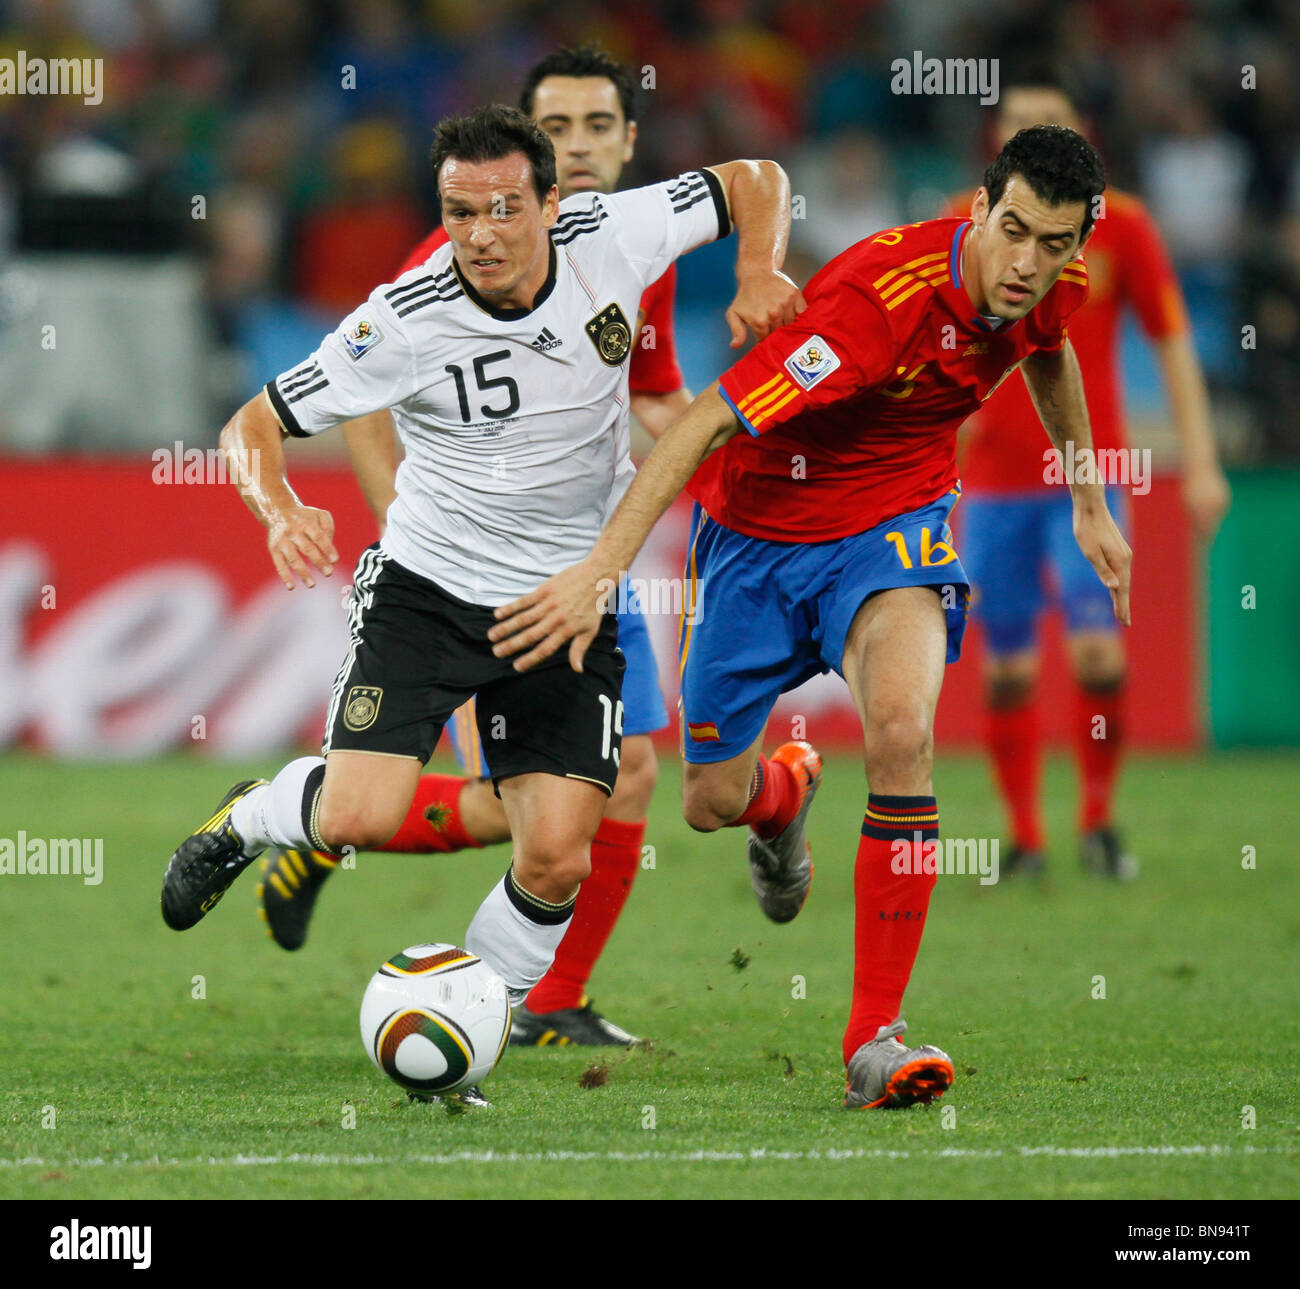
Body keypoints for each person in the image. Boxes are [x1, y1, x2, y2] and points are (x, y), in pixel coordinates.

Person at [489, 125, 1132, 1110]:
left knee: (902, 731)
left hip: (893, 528)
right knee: (708, 799)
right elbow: (706, 419)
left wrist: (1085, 492)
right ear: (976, 208)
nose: (1027, 263)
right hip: (755, 538)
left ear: (1076, 241)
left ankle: (874, 1036)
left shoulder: (1052, 286)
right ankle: (783, 801)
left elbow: (1045, 351)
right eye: (1012, 232)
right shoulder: (875, 306)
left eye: (1053, 243)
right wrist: (598, 571)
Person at [159, 105, 800, 1091]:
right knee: (360, 817)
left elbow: (756, 175)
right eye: (460, 212)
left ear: (552, 201)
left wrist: (759, 269)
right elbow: (253, 422)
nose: (482, 233)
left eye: (505, 208)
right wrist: (277, 507)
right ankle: (256, 817)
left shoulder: (614, 234)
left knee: (555, 852)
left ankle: (470, 1037)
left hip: (563, 599)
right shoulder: (402, 316)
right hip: (428, 590)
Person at [258, 47, 701, 1050]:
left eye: (598, 126)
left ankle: (547, 997)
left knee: (617, 779)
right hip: (460, 573)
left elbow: (645, 396)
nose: (578, 146)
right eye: (558, 129)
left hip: (588, 557)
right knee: (521, 805)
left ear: (629, 141)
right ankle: (316, 825)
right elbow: (358, 405)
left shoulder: (632, 247)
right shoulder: (456, 257)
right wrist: (414, 536)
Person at [949, 67, 1230, 879]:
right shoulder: (960, 225)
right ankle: (1026, 835)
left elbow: (1173, 341)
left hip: (1086, 477)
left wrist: (1201, 459)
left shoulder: (1124, 228)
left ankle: (1099, 822)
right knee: (1007, 669)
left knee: (1098, 655)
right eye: (1017, 124)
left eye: (1049, 121)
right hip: (994, 483)